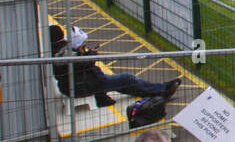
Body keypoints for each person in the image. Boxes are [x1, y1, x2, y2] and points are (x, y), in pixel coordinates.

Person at [50, 24, 180, 107]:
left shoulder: (54, 50)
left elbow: (78, 65)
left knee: (122, 83)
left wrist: (88, 55)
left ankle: (157, 92)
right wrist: (92, 55)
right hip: (81, 86)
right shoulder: (63, 53)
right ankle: (162, 90)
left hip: (76, 84)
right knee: (127, 79)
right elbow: (81, 64)